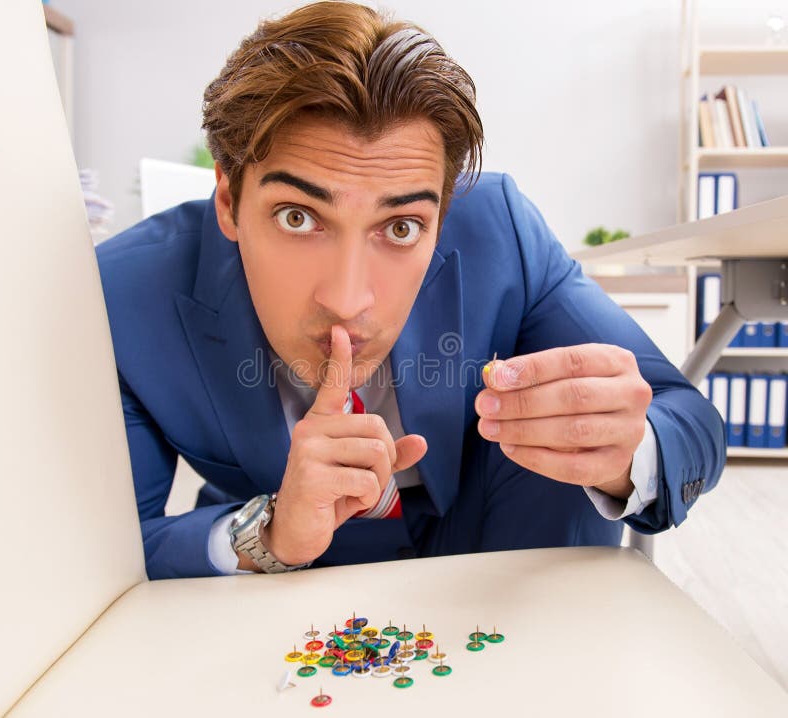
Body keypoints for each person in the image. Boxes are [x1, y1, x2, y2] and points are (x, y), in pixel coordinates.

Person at [97, 1, 725, 579]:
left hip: (504, 566)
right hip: (287, 595)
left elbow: (687, 418)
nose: (346, 299)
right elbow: (103, 558)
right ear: (230, 201)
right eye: (298, 217)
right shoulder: (124, 295)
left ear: (443, 216)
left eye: (400, 227)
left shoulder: (498, 229)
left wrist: (624, 449)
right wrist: (265, 533)